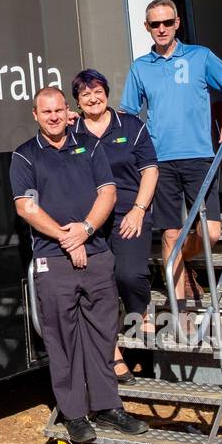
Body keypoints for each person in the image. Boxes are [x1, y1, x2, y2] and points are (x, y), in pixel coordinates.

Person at [10, 86, 149, 442]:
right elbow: (25, 206)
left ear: (67, 111)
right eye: (46, 112)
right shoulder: (25, 156)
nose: (54, 117)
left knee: (103, 335)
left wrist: (85, 231)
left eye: (59, 110)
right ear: (35, 115)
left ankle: (108, 407)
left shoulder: (91, 146)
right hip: (53, 260)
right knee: (62, 340)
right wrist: (65, 238)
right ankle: (74, 415)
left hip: (97, 254)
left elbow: (109, 192)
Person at [120, 0, 222, 308]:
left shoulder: (200, 56)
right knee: (170, 235)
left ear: (178, 23)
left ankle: (178, 262)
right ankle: (179, 312)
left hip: (199, 157)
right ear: (147, 28)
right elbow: (126, 115)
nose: (162, 29)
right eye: (155, 24)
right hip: (159, 162)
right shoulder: (140, 67)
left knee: (212, 232)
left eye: (167, 22)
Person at [69, 69, 158, 383]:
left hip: (128, 213)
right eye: (85, 95)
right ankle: (115, 356)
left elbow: (149, 171)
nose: (93, 98)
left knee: (128, 274)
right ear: (77, 102)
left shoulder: (130, 125)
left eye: (98, 92)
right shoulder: (71, 131)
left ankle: (141, 311)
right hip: (91, 219)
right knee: (96, 286)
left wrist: (138, 209)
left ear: (106, 93)